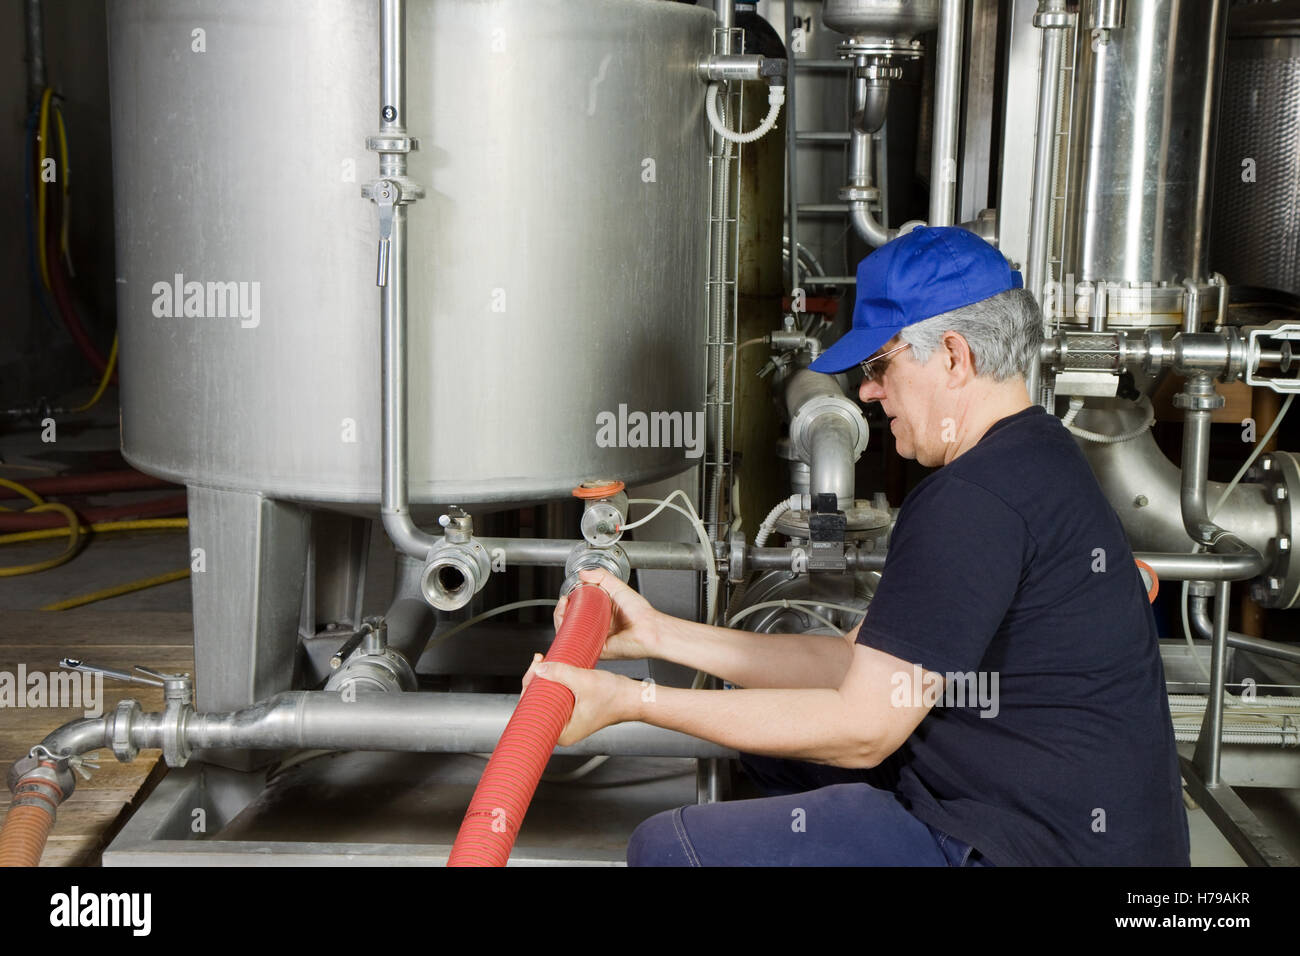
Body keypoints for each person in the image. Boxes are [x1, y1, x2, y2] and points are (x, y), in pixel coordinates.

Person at [523, 226, 1191, 866]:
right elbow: (850, 664)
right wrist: (658, 635)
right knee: (776, 754)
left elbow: (864, 728)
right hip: (1068, 829)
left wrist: (630, 703)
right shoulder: (1038, 456)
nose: (869, 392)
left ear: (954, 356)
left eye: (880, 365)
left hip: (1026, 847)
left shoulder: (972, 501)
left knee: (668, 848)